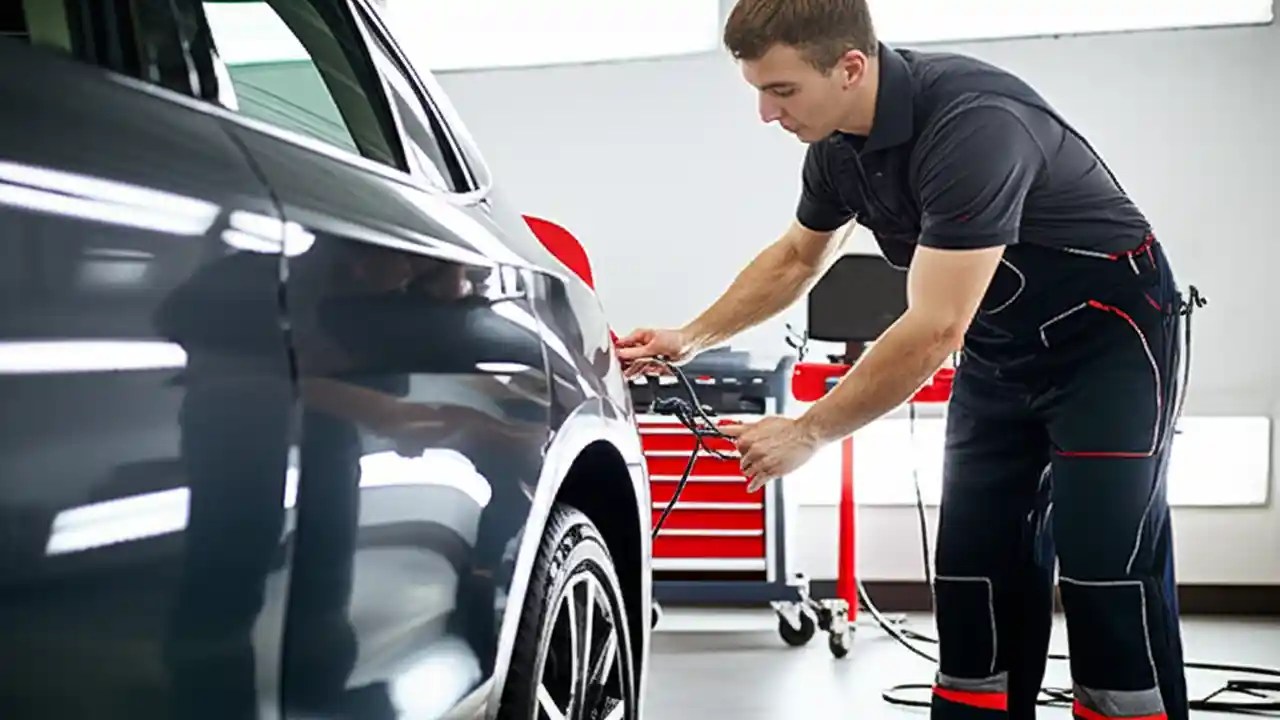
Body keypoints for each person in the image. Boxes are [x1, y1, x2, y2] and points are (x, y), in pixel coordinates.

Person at [615, 1, 1194, 718]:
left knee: (1105, 567)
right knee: (973, 568)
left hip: (1111, 344)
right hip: (1000, 348)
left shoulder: (974, 126)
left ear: (851, 66)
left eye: (783, 90)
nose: (766, 113)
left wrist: (808, 431)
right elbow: (800, 257)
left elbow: (932, 329)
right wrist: (691, 336)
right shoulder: (835, 148)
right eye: (758, 90)